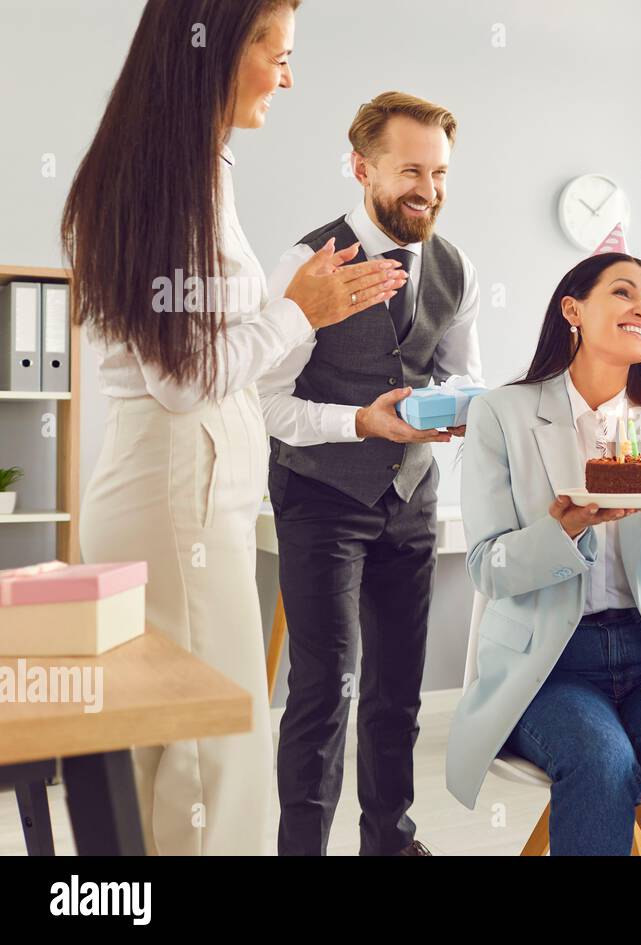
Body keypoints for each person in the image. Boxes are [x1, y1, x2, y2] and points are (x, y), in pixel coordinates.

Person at [64, 0, 405, 855]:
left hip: (182, 495)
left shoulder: (183, 170)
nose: (288, 79)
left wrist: (301, 311)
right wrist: (301, 312)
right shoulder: (168, 178)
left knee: (179, 754)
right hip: (179, 504)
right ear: (215, 50)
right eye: (278, 55)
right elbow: (182, 378)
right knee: (212, 762)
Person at [447, 253, 641, 855]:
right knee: (602, 763)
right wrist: (561, 533)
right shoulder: (503, 414)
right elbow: (487, 567)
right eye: (624, 293)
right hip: (553, 663)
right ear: (573, 309)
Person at [260, 92, 482, 856]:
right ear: (361, 168)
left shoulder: (457, 268)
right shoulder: (305, 261)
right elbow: (270, 404)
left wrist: (458, 413)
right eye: (410, 170)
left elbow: (462, 376)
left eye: (441, 172)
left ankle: (391, 840)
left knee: (397, 693)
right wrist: (358, 421)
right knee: (324, 691)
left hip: (412, 495)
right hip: (320, 492)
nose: (429, 189)